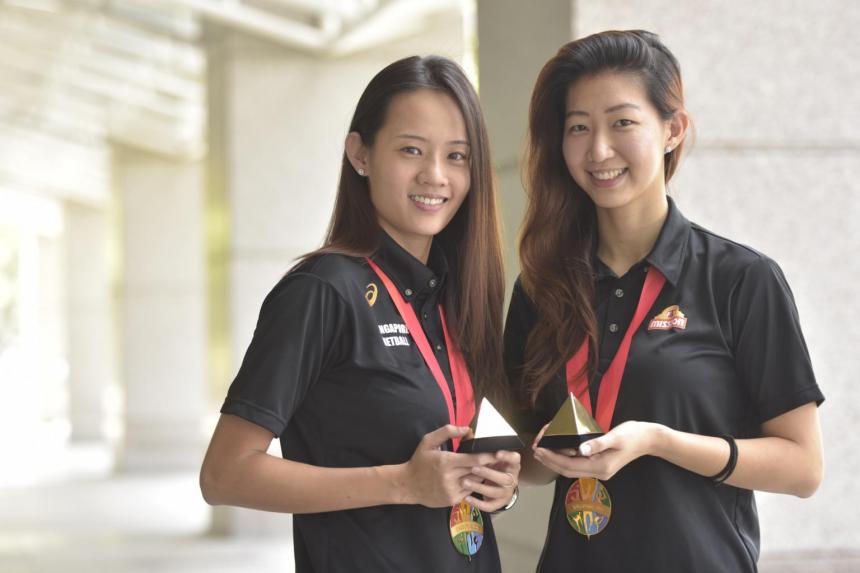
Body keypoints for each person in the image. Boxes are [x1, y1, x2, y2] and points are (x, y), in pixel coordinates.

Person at [504, 30, 824, 573]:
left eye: (622, 122)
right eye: (578, 127)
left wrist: (659, 441)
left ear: (672, 129)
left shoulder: (741, 279)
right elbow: (534, 458)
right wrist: (506, 463)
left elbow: (802, 467)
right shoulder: (543, 286)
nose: (599, 149)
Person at [200, 55, 520, 573]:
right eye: (411, 150)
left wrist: (494, 489)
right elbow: (224, 475)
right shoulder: (321, 292)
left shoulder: (452, 297)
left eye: (457, 156)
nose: (435, 175)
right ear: (361, 154)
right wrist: (402, 483)